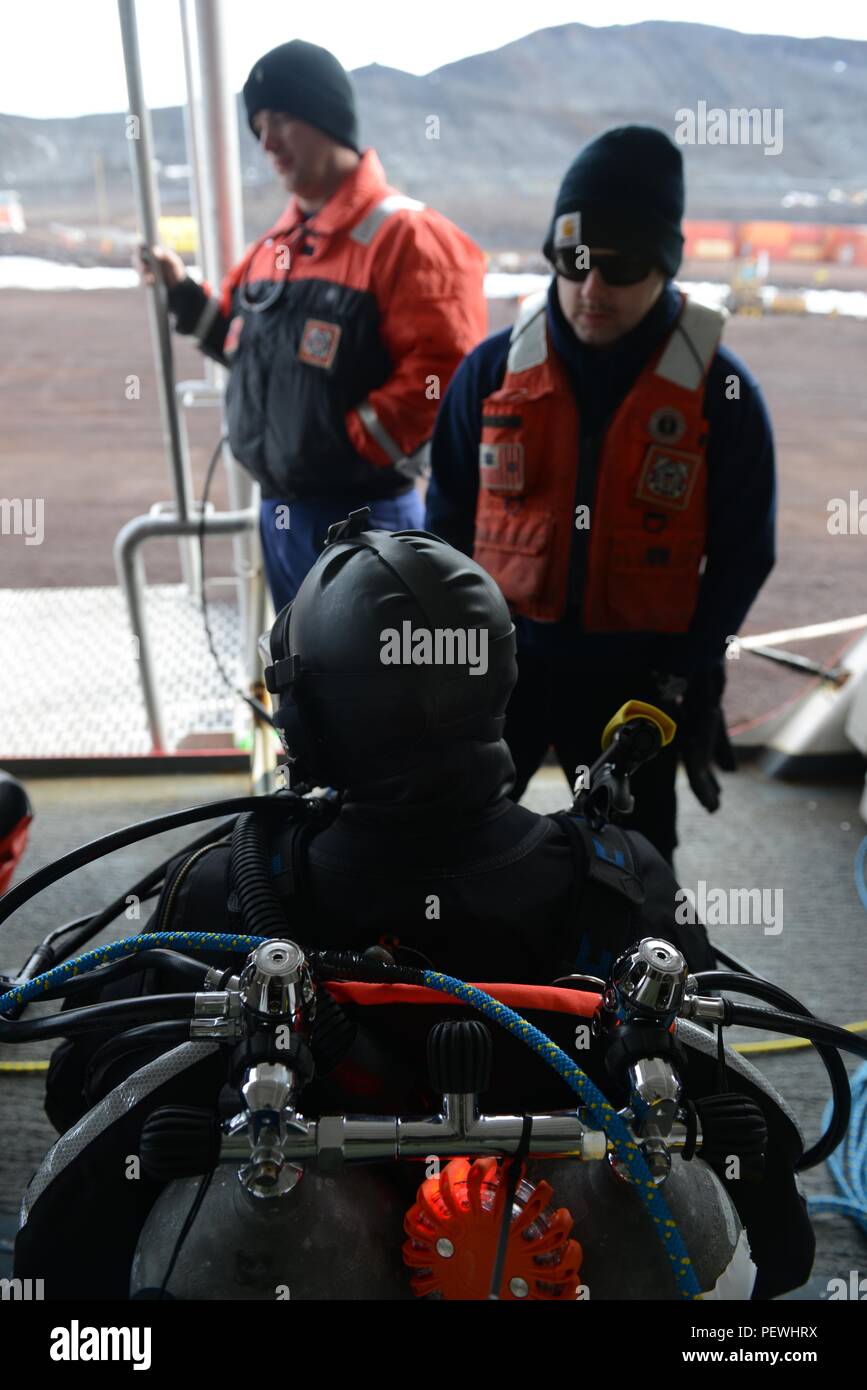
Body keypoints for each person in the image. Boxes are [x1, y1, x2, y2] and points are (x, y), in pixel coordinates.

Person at [424, 125, 777, 863]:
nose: (591, 290)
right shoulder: (489, 374)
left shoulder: (721, 394)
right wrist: (455, 654)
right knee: (452, 849)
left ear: (665, 267)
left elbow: (745, 551)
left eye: (620, 269)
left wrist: (687, 669)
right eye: (574, 262)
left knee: (636, 871)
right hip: (503, 668)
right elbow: (445, 523)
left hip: (638, 681)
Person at [139, 39, 487, 610]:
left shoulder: (409, 238)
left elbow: (445, 373)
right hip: (279, 517)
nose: (267, 142)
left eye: (279, 119)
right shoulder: (276, 248)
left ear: (325, 116)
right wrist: (180, 292)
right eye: (258, 127)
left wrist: (346, 441)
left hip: (363, 524)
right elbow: (239, 343)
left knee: (366, 669)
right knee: (298, 664)